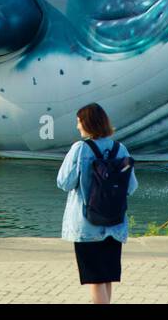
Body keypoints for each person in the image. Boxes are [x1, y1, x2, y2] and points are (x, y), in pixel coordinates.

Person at [56, 102, 137, 304]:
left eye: (79, 122)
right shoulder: (121, 149)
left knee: (94, 279)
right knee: (106, 277)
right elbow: (132, 186)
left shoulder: (80, 148)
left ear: (88, 123)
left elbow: (64, 183)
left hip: (87, 225)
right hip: (115, 224)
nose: (77, 126)